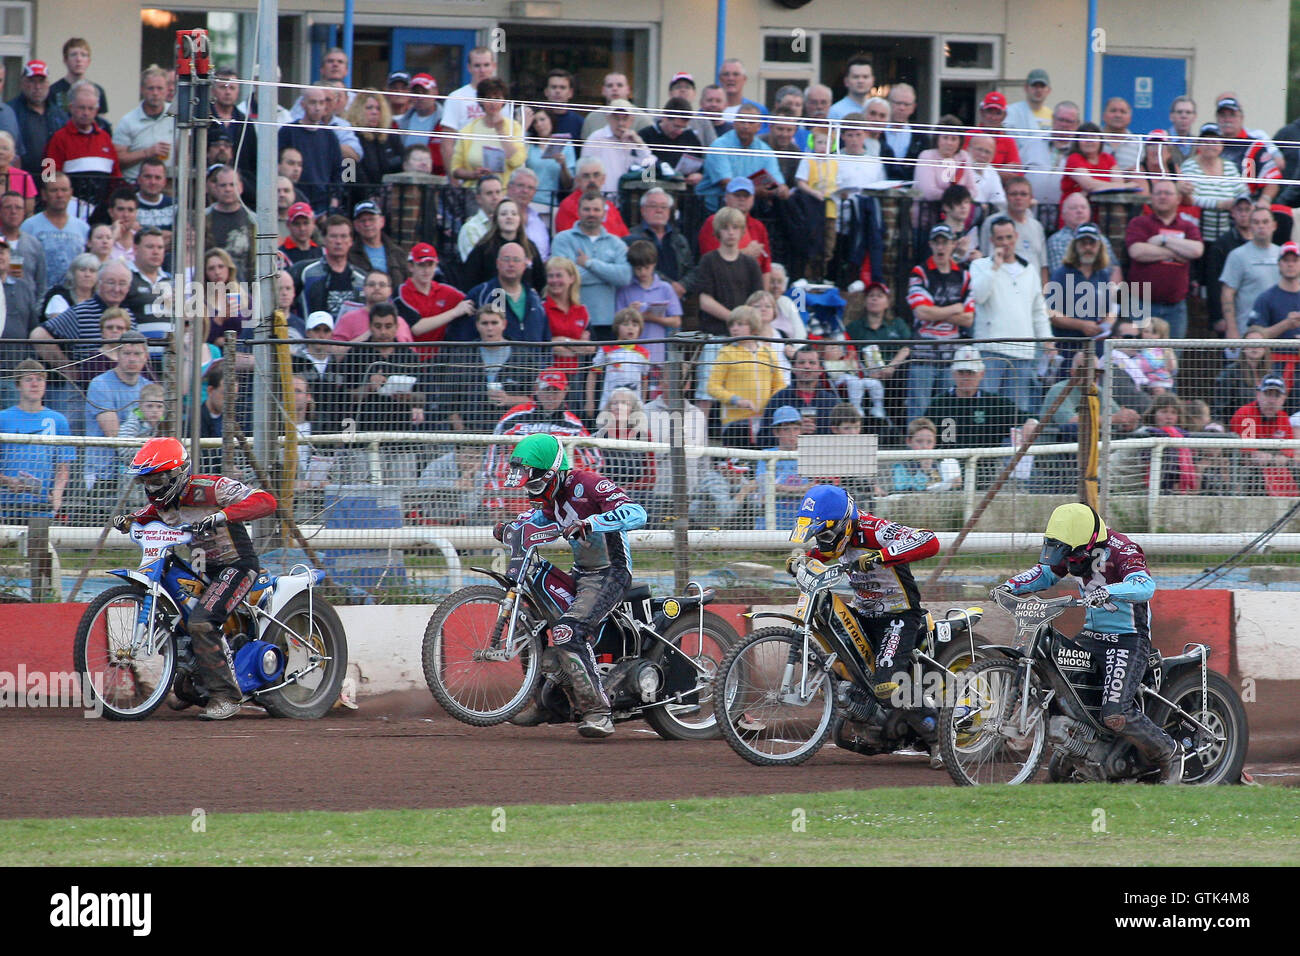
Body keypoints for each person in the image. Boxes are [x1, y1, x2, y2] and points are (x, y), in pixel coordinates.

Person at [998, 502, 1183, 784]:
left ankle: (1170, 753)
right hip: (1090, 637)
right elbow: (1047, 573)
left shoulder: (1123, 548)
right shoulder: (1072, 545)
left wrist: (1109, 591)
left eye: (1073, 555)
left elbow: (1145, 586)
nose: (1070, 561)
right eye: (1066, 555)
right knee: (1062, 689)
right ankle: (1083, 751)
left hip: (1127, 640)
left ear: (1088, 542)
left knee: (1115, 713)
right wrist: (1011, 586)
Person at [111, 436, 278, 720]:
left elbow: (266, 500)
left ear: (176, 474)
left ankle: (227, 696)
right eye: (146, 482)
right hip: (202, 569)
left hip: (236, 566)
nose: (151, 488)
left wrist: (223, 515)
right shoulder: (166, 504)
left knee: (201, 621)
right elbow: (151, 512)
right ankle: (195, 678)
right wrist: (131, 519)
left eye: (156, 480)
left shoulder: (211, 488)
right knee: (180, 616)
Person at [501, 432, 648, 738]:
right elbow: (534, 519)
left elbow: (637, 513)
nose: (532, 491)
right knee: (536, 624)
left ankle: (599, 713)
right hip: (581, 572)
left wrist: (593, 522)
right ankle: (544, 703)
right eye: (528, 485)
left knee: (568, 631)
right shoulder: (550, 500)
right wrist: (509, 528)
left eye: (535, 484)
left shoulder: (589, 483)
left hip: (610, 573)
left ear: (553, 474)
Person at [787, 485, 941, 721]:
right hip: (863, 614)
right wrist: (802, 560)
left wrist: (881, 556)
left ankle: (936, 724)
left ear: (844, 524)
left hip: (898, 615)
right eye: (819, 537)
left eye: (826, 535)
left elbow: (929, 541)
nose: (823, 541)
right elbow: (823, 554)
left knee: (886, 686)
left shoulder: (875, 530)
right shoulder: (837, 537)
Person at [0, 359, 72, 521]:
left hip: (41, 506)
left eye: (39, 379)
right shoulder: (2, 418)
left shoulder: (58, 420)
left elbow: (63, 466)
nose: (35, 384)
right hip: (4, 505)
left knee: (38, 546)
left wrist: (57, 493)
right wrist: (7, 481)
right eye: (28, 379)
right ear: (18, 385)